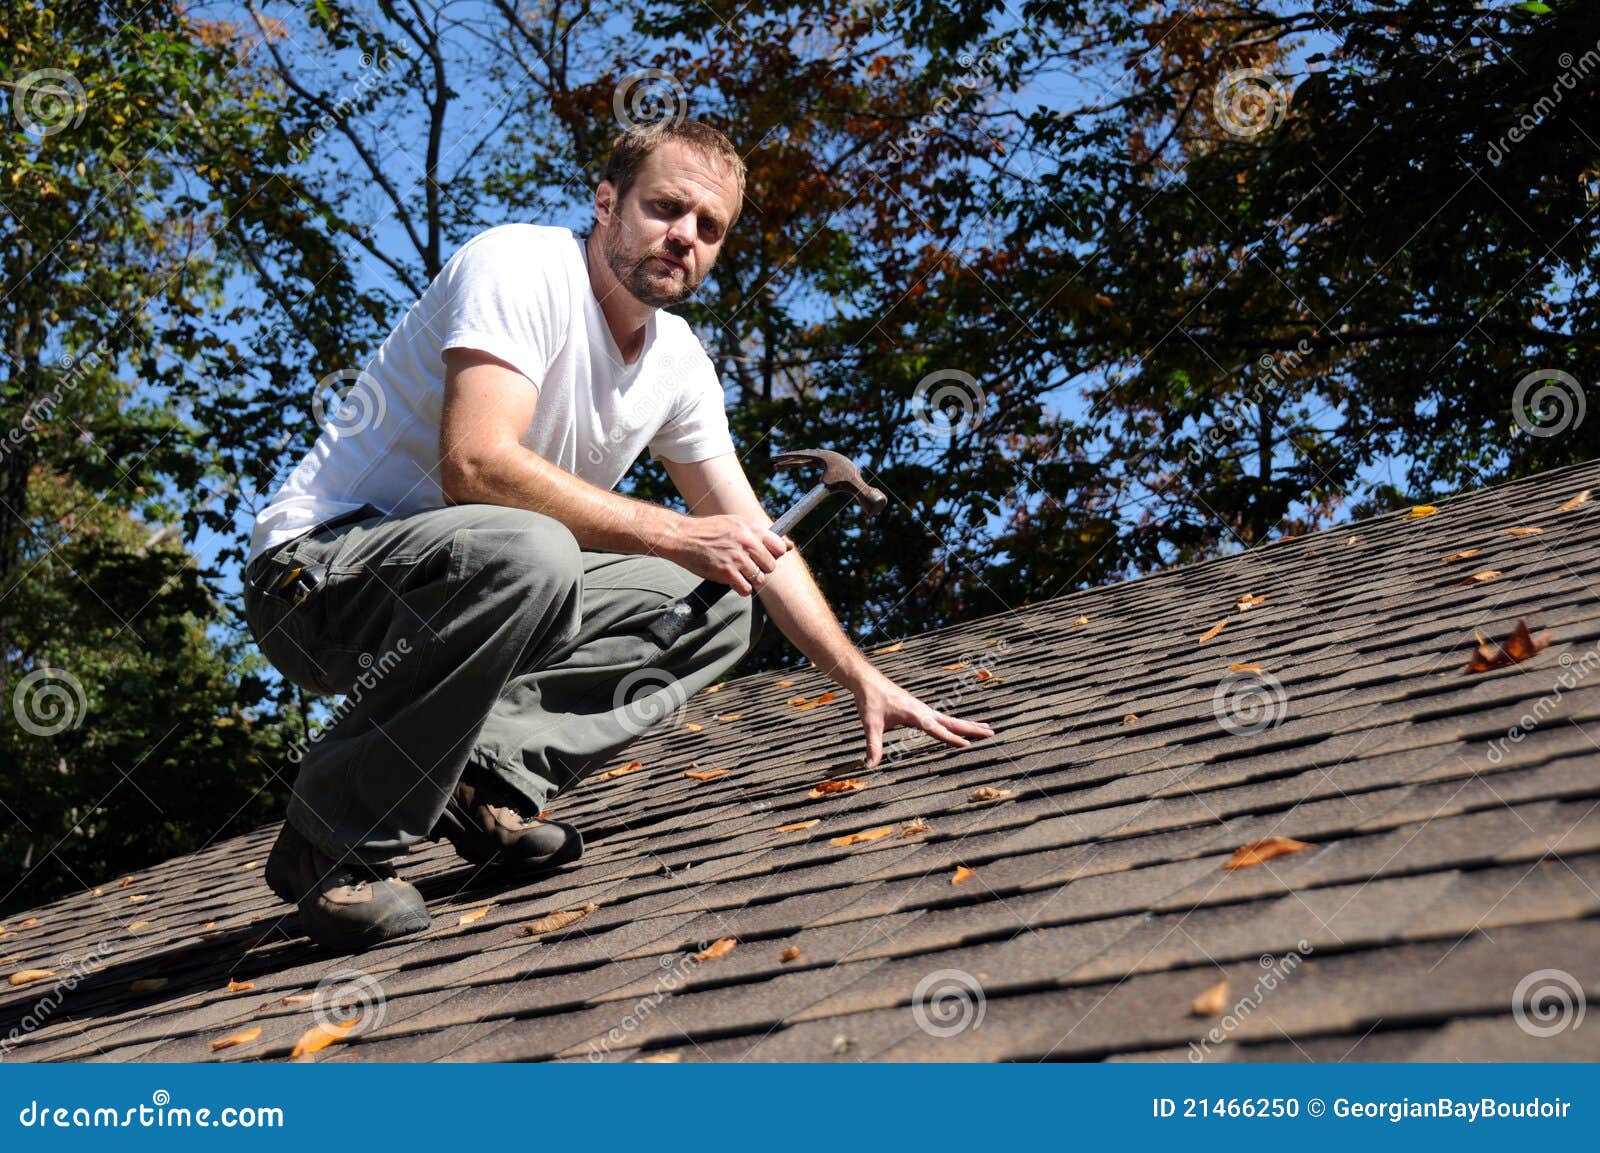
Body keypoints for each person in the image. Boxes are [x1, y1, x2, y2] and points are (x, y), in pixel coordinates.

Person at [242, 118, 995, 952]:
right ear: (606, 203)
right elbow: (476, 465)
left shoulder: (679, 364)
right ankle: (331, 843)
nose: (685, 237)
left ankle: (483, 778)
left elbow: (753, 540)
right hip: (316, 581)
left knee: (720, 599)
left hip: (473, 600)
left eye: (709, 227)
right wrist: (675, 530)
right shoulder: (521, 266)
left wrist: (861, 678)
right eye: (665, 208)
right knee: (536, 549)